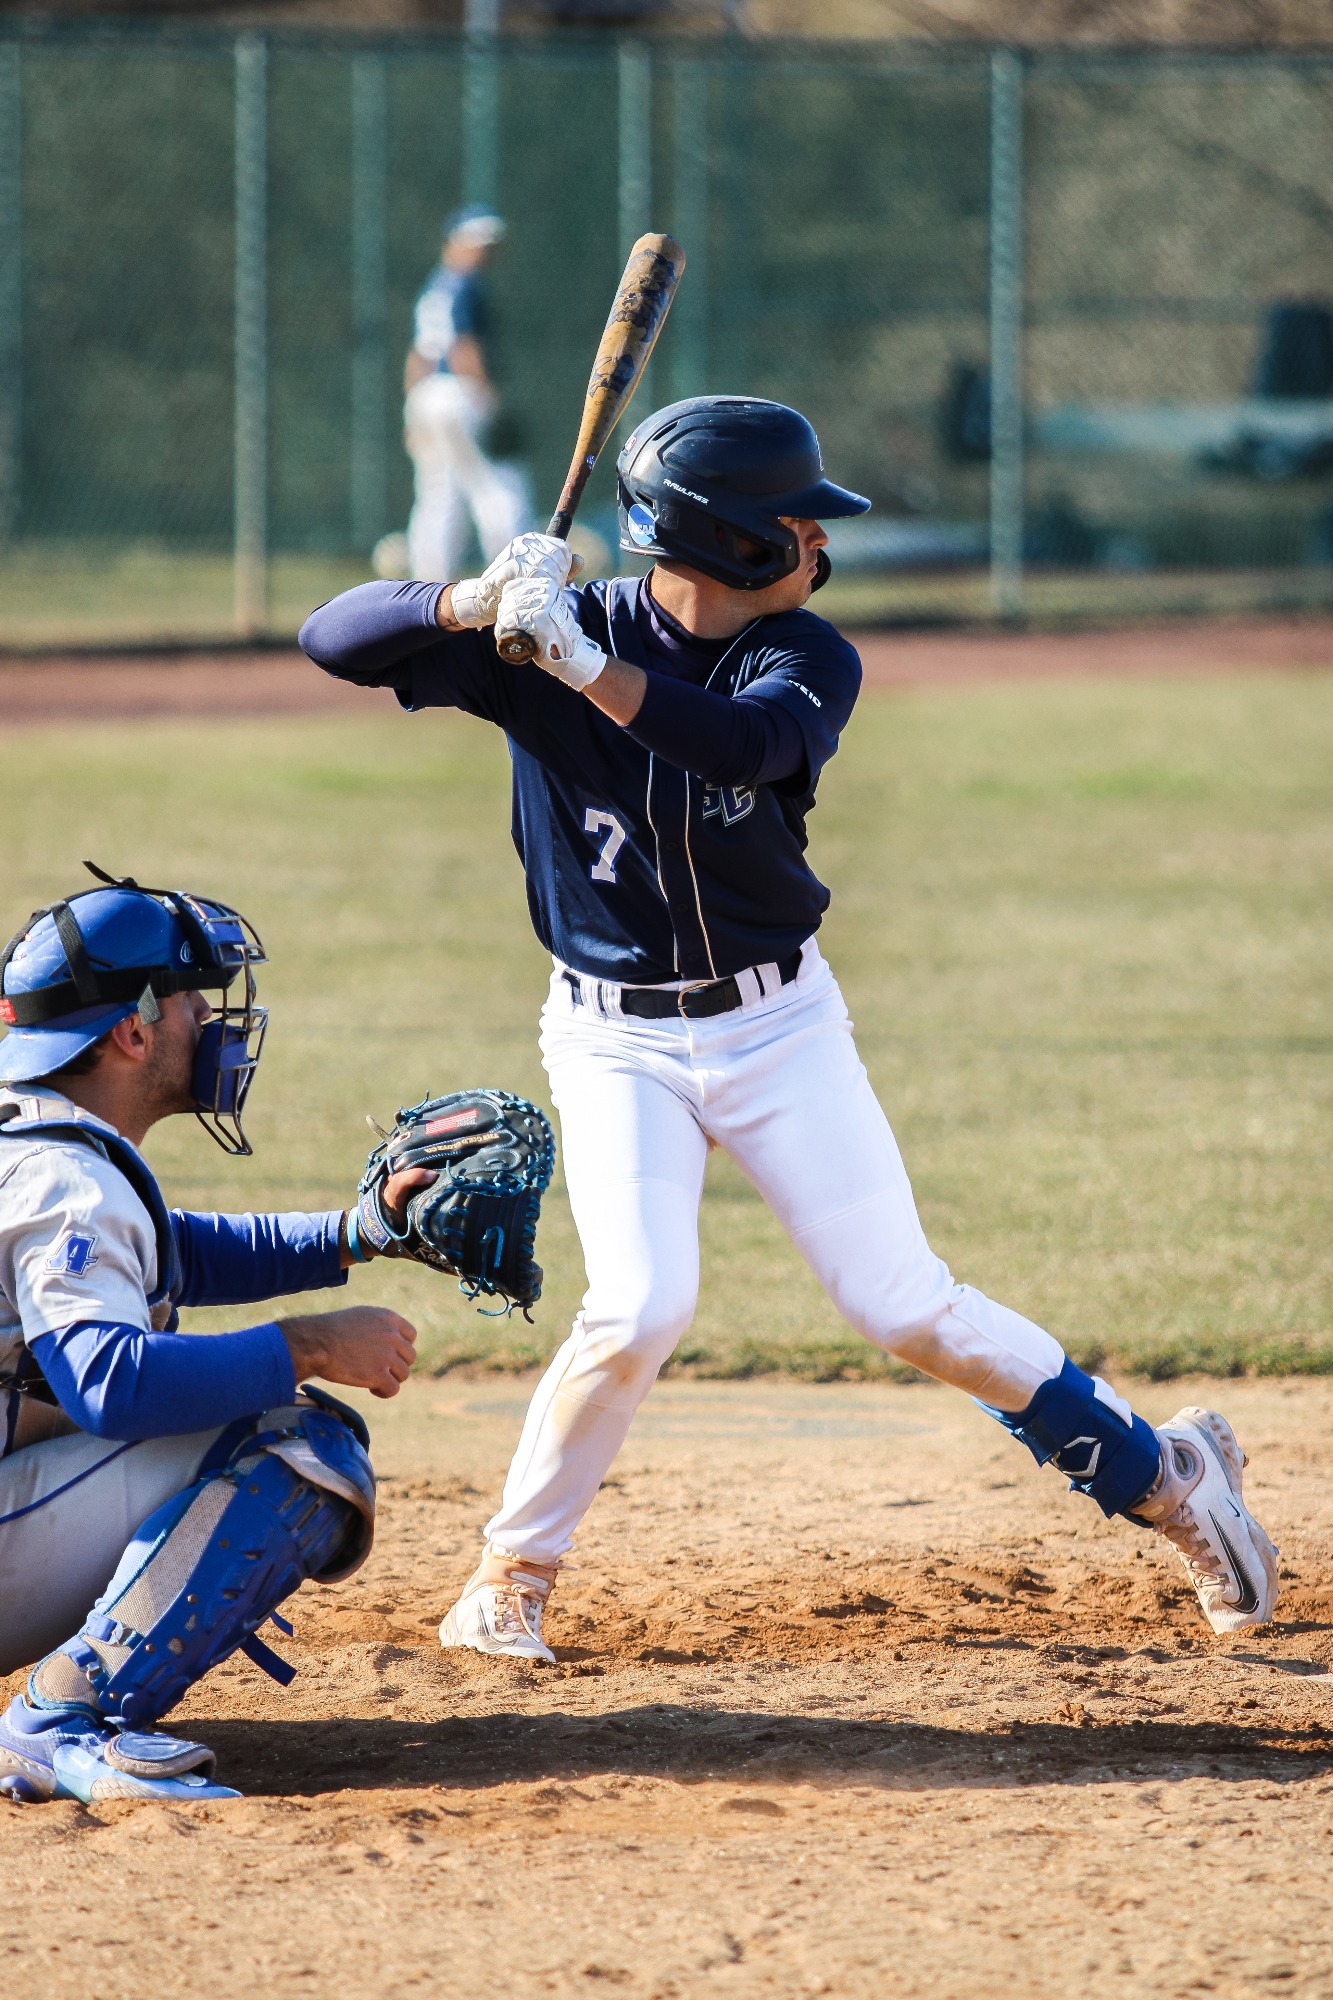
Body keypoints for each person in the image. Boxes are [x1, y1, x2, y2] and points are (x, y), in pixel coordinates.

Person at [300, 394, 1280, 1666]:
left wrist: (576, 661)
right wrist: (467, 606)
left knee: (904, 1305)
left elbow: (748, 744)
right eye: (801, 521)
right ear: (741, 542)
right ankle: (510, 1576)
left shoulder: (805, 655)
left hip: (778, 1030)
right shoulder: (545, 635)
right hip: (611, 1041)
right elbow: (334, 637)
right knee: (639, 1303)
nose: (821, 540)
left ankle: (1169, 1474)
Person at [0, 866, 427, 1803]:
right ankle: (60, 1723)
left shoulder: (37, 1142)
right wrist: (310, 1344)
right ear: (131, 1029)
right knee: (296, 1442)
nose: (211, 1020)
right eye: (193, 999)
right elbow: (106, 1384)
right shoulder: (60, 1180)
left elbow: (172, 1251)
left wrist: (361, 1232)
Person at [403, 204, 529, 585]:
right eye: (476, 242)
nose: (484, 251)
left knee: (439, 492)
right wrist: (487, 398)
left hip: (426, 394)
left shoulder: (434, 286)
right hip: (460, 390)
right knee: (500, 483)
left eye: (489, 244)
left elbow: (418, 353)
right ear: (452, 242)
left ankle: (427, 588)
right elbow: (463, 345)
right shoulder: (466, 283)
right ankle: (517, 581)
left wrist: (411, 411)